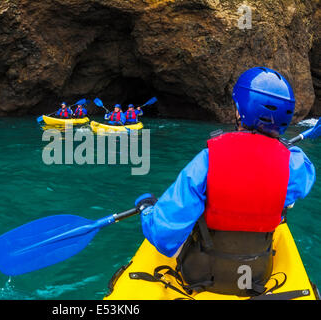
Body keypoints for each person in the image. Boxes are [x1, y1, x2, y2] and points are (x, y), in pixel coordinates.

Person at [134, 67, 316, 297]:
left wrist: (147, 210)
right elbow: (297, 183)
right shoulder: (297, 164)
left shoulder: (207, 161)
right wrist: (279, 150)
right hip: (257, 275)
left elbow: (163, 233)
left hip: (201, 276)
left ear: (240, 110)